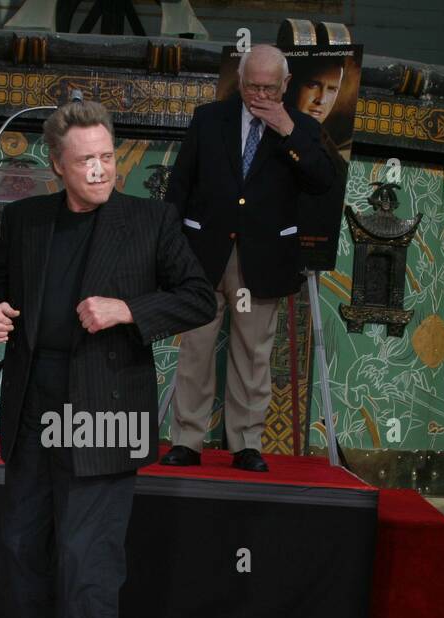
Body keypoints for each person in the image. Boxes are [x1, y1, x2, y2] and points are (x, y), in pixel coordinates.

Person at [0, 100, 214, 618]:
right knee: (25, 549)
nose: (101, 170)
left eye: (108, 157)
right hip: (31, 408)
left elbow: (199, 298)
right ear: (58, 165)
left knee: (86, 560)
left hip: (105, 416)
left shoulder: (151, 221)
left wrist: (128, 310)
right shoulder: (24, 220)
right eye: (87, 160)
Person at [162, 44, 337, 473]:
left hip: (262, 260)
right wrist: (168, 246)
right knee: (197, 349)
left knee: (253, 354)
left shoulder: (304, 129)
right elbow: (180, 185)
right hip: (203, 254)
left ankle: (245, 444)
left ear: (285, 85)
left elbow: (322, 181)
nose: (259, 95)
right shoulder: (209, 119)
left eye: (269, 88)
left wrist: (286, 129)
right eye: (252, 87)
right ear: (239, 82)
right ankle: (187, 440)